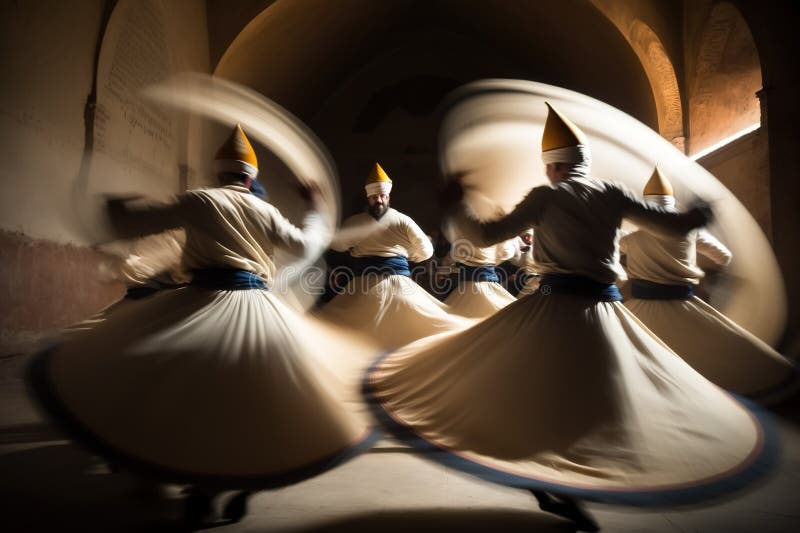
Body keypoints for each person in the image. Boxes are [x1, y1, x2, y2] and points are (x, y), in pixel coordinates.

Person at [364, 103, 775, 531]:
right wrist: (699, 214)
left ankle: (544, 471)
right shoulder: (613, 194)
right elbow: (672, 227)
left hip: (550, 309)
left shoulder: (546, 197)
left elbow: (486, 235)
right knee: (594, 399)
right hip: (603, 310)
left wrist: (456, 206)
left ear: (553, 168)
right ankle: (573, 480)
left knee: (531, 389)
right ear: (583, 164)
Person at [28, 124, 379, 526]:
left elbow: (132, 224)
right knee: (247, 396)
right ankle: (226, 482)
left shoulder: (199, 200)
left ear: (219, 173)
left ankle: (173, 468)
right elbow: (305, 245)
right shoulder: (265, 209)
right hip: (256, 308)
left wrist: (117, 206)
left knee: (174, 386)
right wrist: (316, 208)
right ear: (252, 178)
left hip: (199, 302)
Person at [620, 166, 796, 400]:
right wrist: (707, 276)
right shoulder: (690, 233)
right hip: (685, 306)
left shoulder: (632, 239)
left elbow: (608, 252)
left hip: (642, 310)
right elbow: (724, 256)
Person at [315, 162, 473, 349]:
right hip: (381, 283)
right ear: (369, 198)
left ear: (388, 196)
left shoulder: (394, 221)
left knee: (355, 326)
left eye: (382, 196)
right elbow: (425, 250)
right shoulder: (396, 221)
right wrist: (410, 254)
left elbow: (338, 245)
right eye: (375, 197)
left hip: (369, 285)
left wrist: (355, 248)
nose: (379, 200)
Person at [440, 206, 517, 318]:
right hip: (487, 284)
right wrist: (492, 261)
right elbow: (507, 252)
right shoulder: (493, 229)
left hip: (467, 288)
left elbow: (454, 255)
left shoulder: (461, 224)